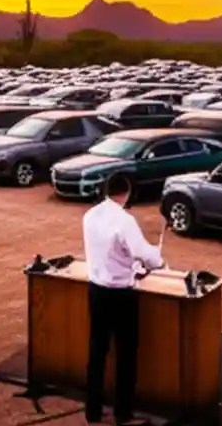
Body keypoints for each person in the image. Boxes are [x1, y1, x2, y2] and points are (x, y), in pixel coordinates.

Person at [82, 174, 164, 426]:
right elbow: (143, 254)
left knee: (97, 352)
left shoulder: (90, 215)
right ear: (126, 193)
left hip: (96, 290)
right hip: (120, 294)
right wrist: (157, 259)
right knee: (126, 354)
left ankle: (92, 410)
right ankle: (122, 413)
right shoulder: (125, 221)